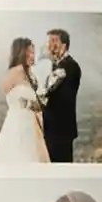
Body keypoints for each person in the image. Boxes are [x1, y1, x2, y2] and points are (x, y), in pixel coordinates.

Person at [0, 37, 51, 163]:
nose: (32, 56)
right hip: (18, 122)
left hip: (30, 123)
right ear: (21, 53)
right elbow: (7, 90)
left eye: (33, 52)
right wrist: (19, 103)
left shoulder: (30, 74)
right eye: (29, 52)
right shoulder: (16, 72)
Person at [41, 28, 81, 163]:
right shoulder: (53, 65)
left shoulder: (71, 66)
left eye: (54, 41)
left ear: (64, 45)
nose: (50, 45)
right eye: (49, 41)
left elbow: (60, 97)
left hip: (61, 128)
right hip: (50, 127)